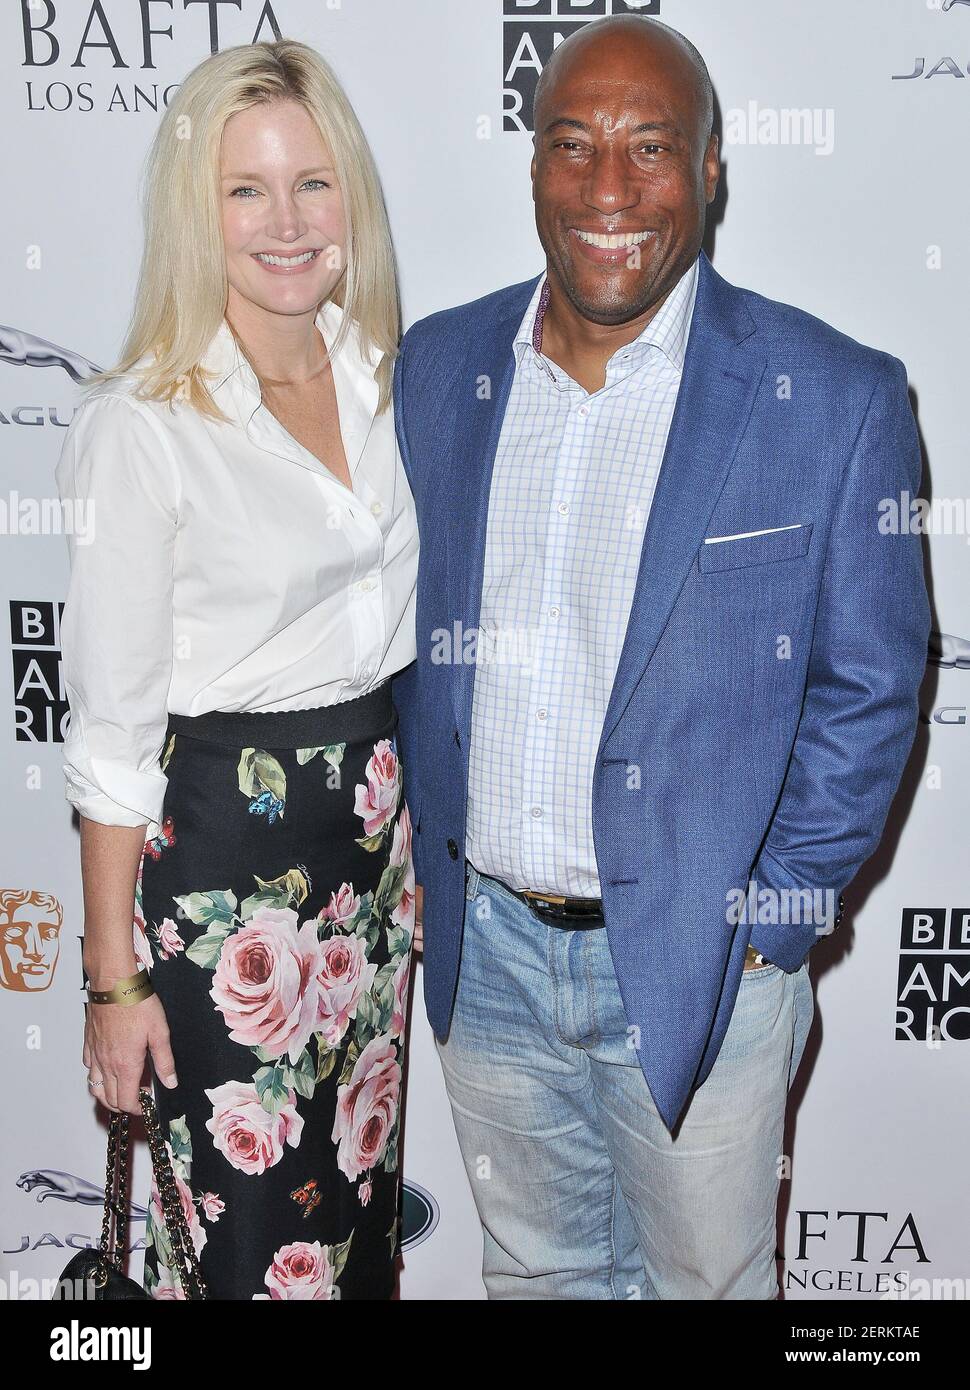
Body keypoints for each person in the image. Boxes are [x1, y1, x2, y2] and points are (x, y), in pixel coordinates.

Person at [390, 15, 929, 1299]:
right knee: (536, 1274)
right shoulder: (437, 367)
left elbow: (871, 688)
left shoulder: (835, 397)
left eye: (651, 148)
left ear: (712, 167)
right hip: (490, 953)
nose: (610, 190)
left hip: (707, 965)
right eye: (573, 146)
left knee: (707, 1287)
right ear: (533, 167)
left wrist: (771, 916)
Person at [56, 39, 419, 1301]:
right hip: (223, 890)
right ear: (193, 212)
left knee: (355, 1221)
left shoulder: (388, 376)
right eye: (245, 189)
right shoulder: (140, 425)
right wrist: (113, 982)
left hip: (373, 878)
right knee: (251, 1251)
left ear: (350, 200)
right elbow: (107, 742)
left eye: (312, 184)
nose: (286, 221)